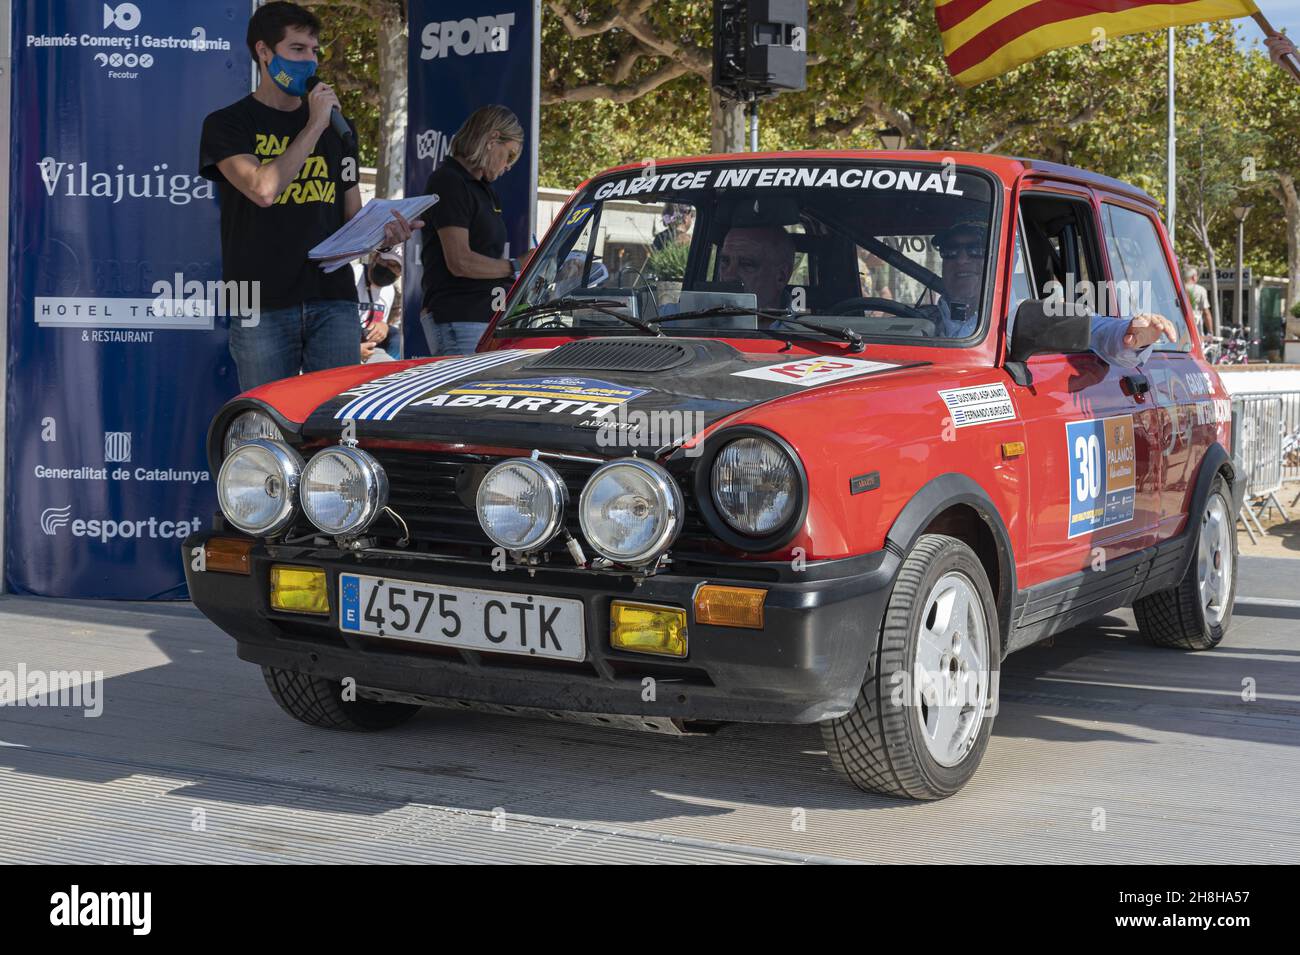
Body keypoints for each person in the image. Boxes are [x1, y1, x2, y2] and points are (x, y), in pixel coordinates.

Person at [198, 1, 419, 390]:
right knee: (268, 419)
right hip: (257, 300)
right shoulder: (227, 124)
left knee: (333, 421)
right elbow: (263, 189)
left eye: (314, 51)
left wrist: (383, 235)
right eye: (297, 49)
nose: (310, 61)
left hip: (331, 297)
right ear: (263, 51)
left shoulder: (338, 128)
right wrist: (314, 125)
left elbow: (351, 215)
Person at [928, 217, 1177, 367]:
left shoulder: (1019, 318)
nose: (961, 260)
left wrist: (1131, 336)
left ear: (1006, 258)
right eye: (949, 251)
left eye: (975, 250)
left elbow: (1095, 330)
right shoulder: (923, 318)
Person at [420, 105, 524, 356]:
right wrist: (516, 266)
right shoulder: (449, 181)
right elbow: (460, 262)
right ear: (492, 139)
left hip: (485, 318)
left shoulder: (484, 189)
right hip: (459, 316)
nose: (508, 166)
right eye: (509, 156)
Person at [717, 225, 796, 310]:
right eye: (725, 261)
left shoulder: (805, 323)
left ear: (781, 277)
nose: (729, 276)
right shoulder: (703, 318)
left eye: (746, 264)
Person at [354, 248, 403, 363]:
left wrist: (384, 326)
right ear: (376, 257)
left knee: (396, 336)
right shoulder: (354, 275)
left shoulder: (390, 290)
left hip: (371, 349)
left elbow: (381, 325)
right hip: (346, 345)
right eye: (390, 263)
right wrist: (351, 350)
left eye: (398, 268)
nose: (391, 270)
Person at [1183, 266, 1213, 336]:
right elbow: (1206, 312)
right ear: (1193, 277)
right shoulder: (1200, 290)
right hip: (1195, 326)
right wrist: (1210, 331)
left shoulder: (1177, 289)